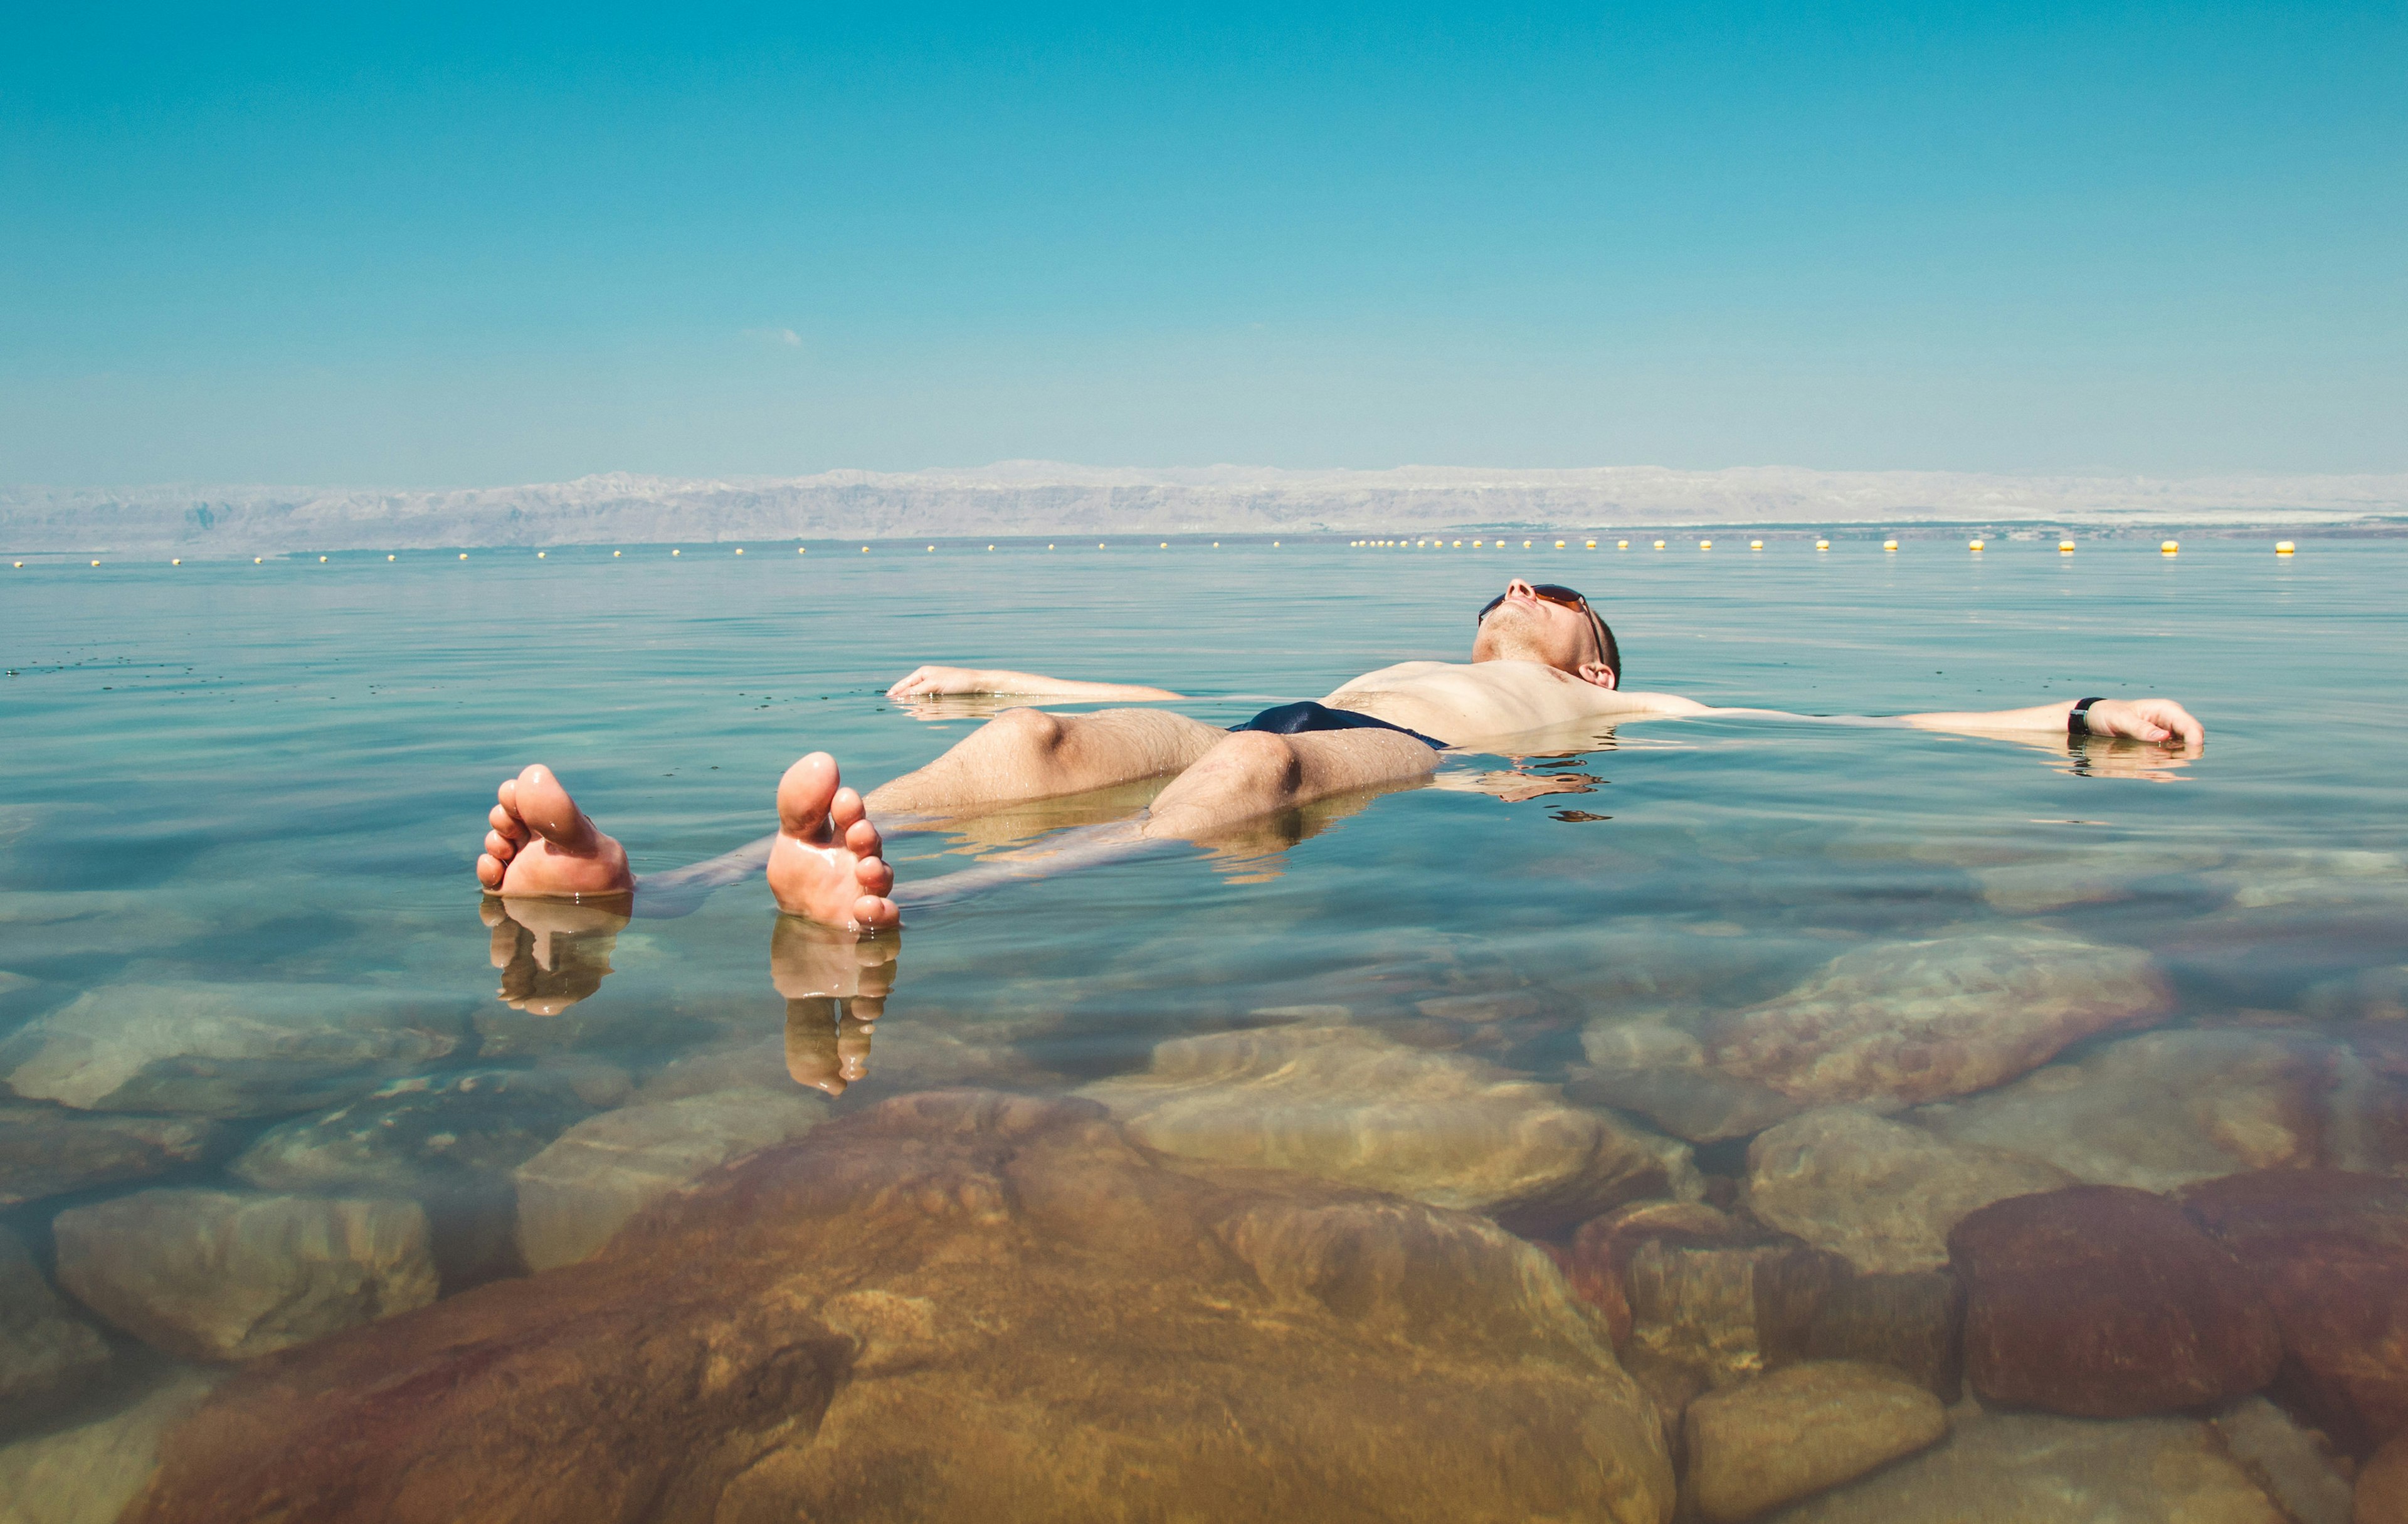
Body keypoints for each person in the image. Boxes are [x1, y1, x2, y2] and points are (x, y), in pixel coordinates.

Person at [473, 577, 2205, 931]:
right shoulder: (1416, 645)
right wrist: (981, 670)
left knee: (1246, 790)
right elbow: (1123, 678)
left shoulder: (1612, 712)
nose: (1518, 589)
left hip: (1369, 755)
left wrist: (2066, 717)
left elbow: (1854, 724)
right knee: (1048, 738)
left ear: (1586, 655)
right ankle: (658, 888)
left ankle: (878, 905)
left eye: (1552, 594)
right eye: (1507, 585)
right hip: (1274, 704)